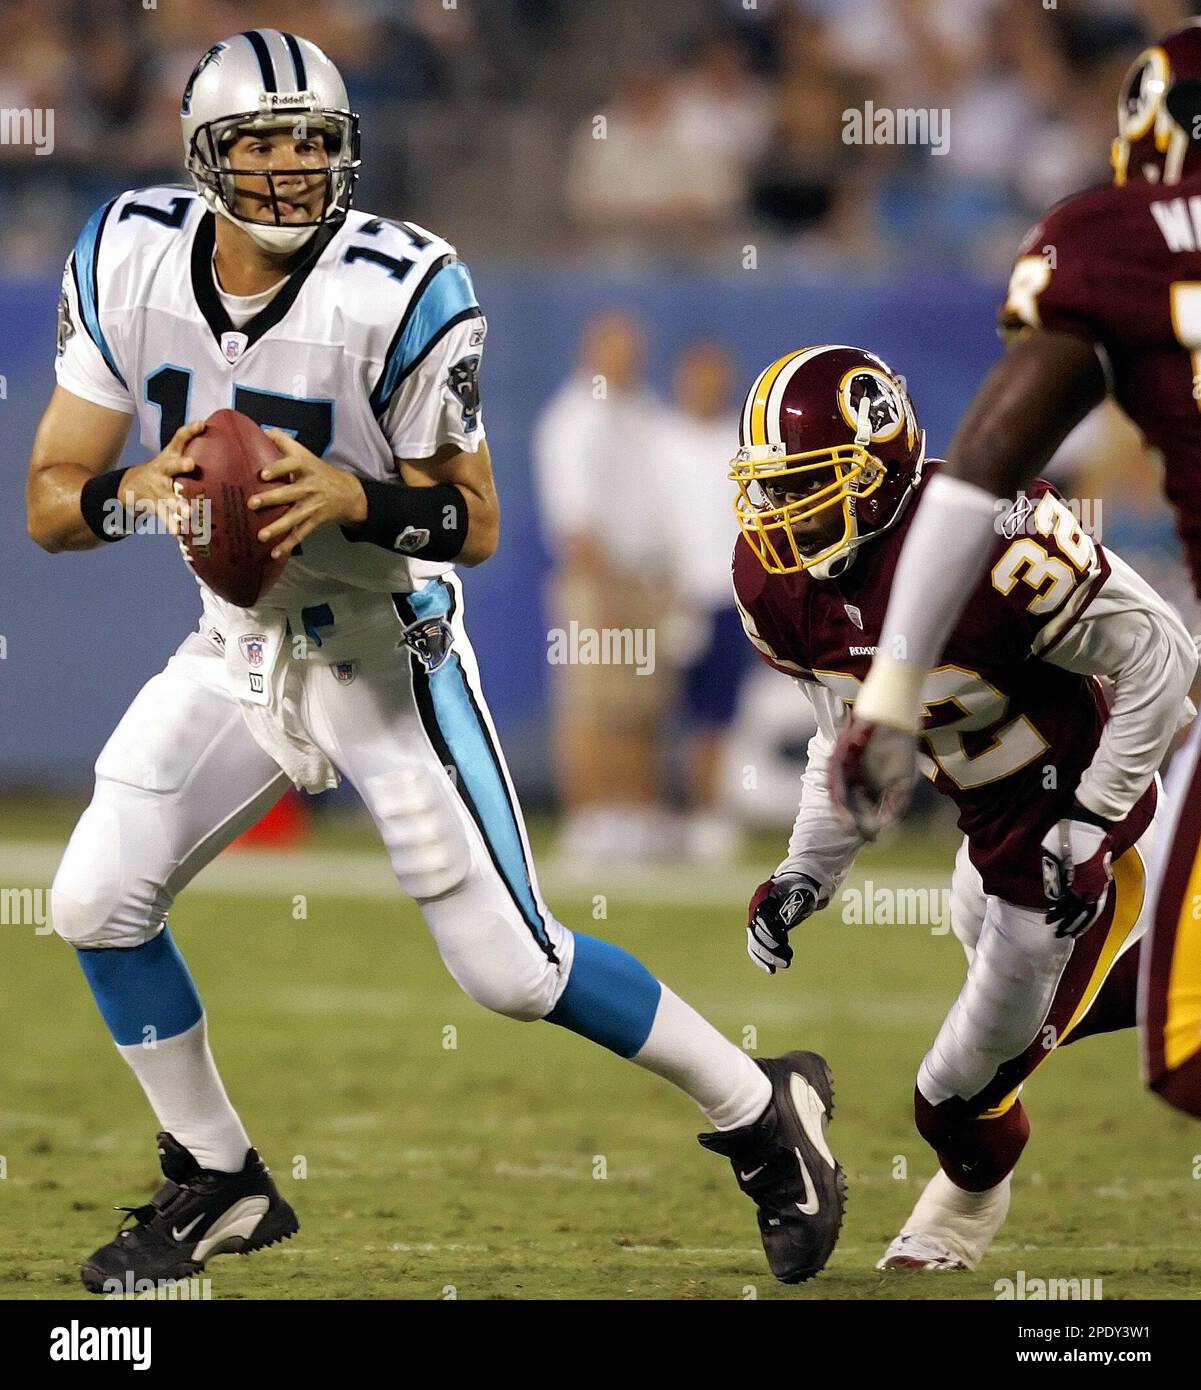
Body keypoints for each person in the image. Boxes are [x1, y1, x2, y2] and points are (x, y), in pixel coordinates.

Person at [27, 29, 844, 1291]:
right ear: (202, 158)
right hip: (232, 644)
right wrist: (140, 484)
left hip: (380, 646)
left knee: (514, 969)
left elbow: (474, 518)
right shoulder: (127, 251)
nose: (294, 169)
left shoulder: (399, 284)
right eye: (262, 143)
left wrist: (349, 498)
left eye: (315, 143)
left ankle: (760, 1107)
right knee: (92, 899)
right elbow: (51, 501)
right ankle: (220, 1177)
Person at [730, 344, 1195, 1269]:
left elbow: (1163, 661)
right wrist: (806, 872)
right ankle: (1181, 978)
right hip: (987, 841)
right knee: (1020, 985)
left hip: (1070, 849)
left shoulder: (997, 535)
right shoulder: (779, 587)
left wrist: (1097, 815)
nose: (781, 517)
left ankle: (951, 1222)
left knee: (950, 1096)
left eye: (809, 486)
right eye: (773, 490)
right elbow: (846, 738)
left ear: (877, 468)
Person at [831, 19, 1201, 1121]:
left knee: (1183, 1047)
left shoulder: (1120, 240)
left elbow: (978, 471)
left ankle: (985, 1085)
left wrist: (892, 695)